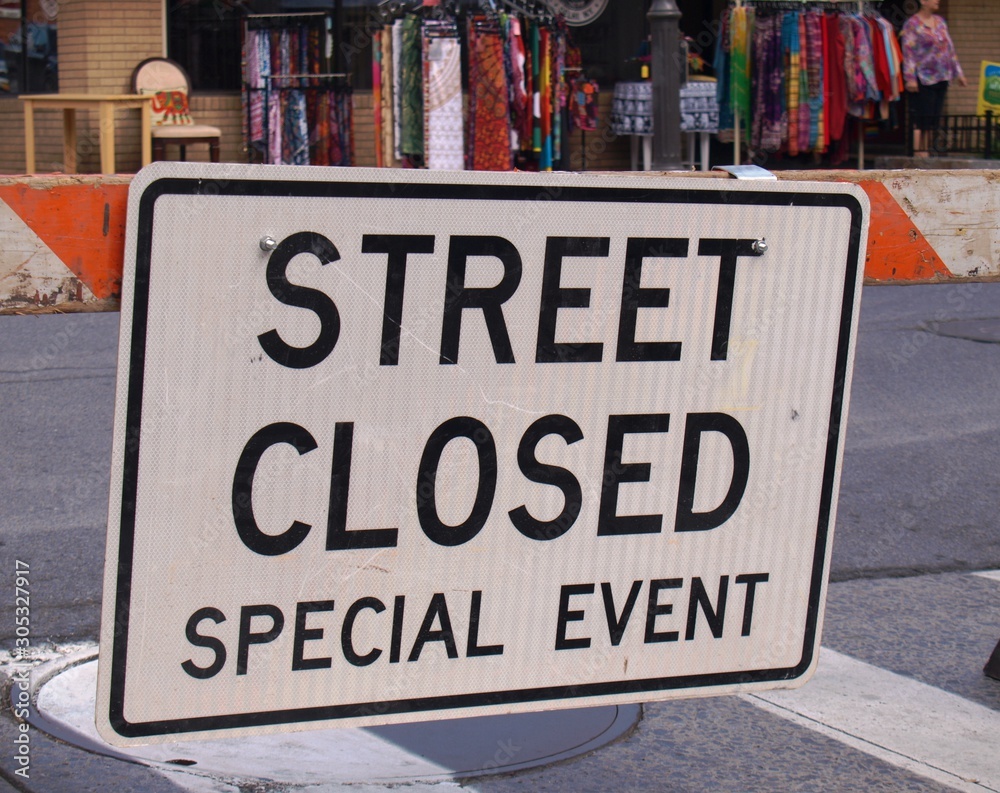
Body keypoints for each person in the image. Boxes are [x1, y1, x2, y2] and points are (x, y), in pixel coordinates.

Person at [901, 0, 967, 156]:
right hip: (923, 78)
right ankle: (919, 155)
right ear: (923, 1)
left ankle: (926, 153)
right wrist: (910, 77)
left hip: (942, 76)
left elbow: (949, 48)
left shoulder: (940, 22)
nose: (937, 1)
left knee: (933, 119)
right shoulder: (913, 24)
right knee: (922, 117)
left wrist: (959, 73)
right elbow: (908, 52)